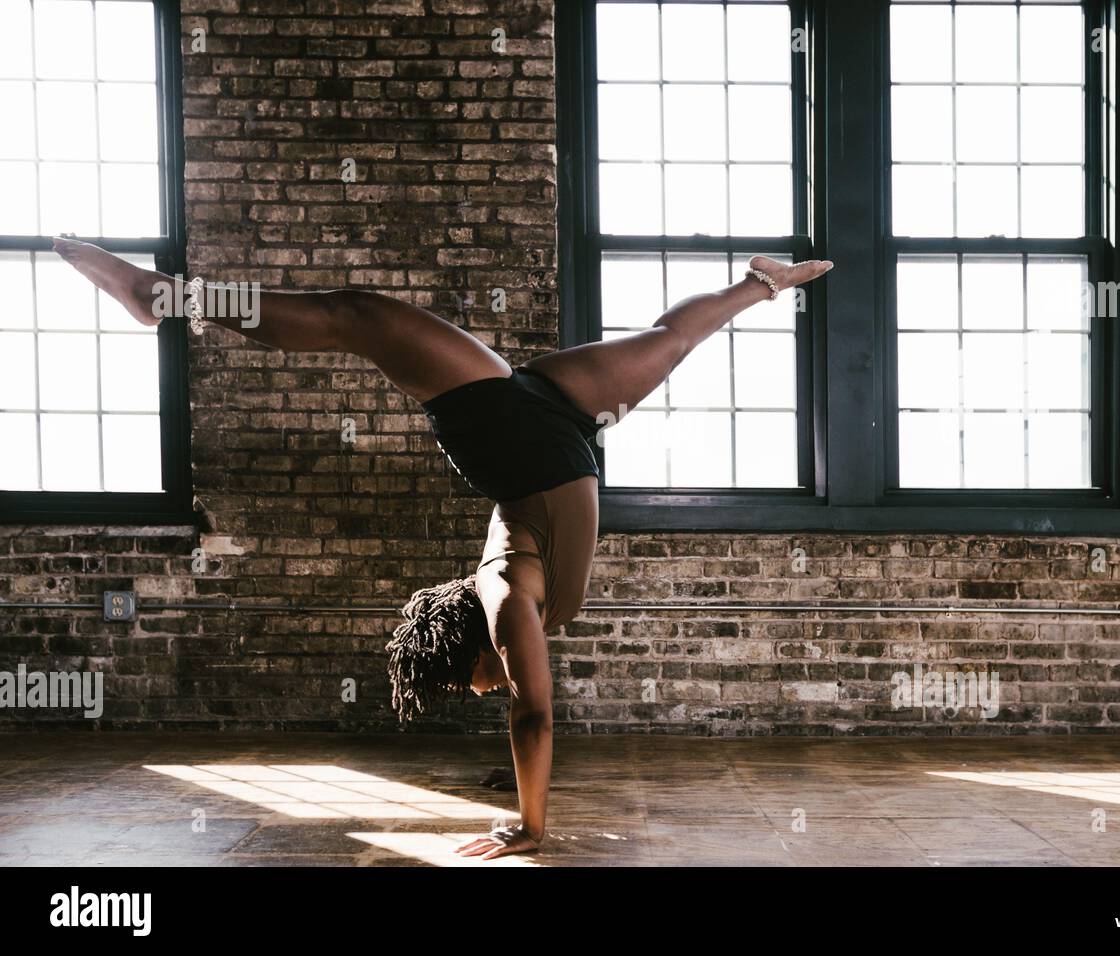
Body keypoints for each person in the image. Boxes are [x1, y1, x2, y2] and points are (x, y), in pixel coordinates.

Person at [52, 236, 833, 859]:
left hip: (528, 443)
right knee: (672, 337)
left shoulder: (503, 595)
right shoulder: (509, 584)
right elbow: (528, 717)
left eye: (471, 685)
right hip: (553, 427)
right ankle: (759, 284)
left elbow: (534, 718)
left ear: (474, 647)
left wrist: (530, 824)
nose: (488, 690)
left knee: (361, 318)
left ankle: (166, 298)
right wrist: (527, 800)